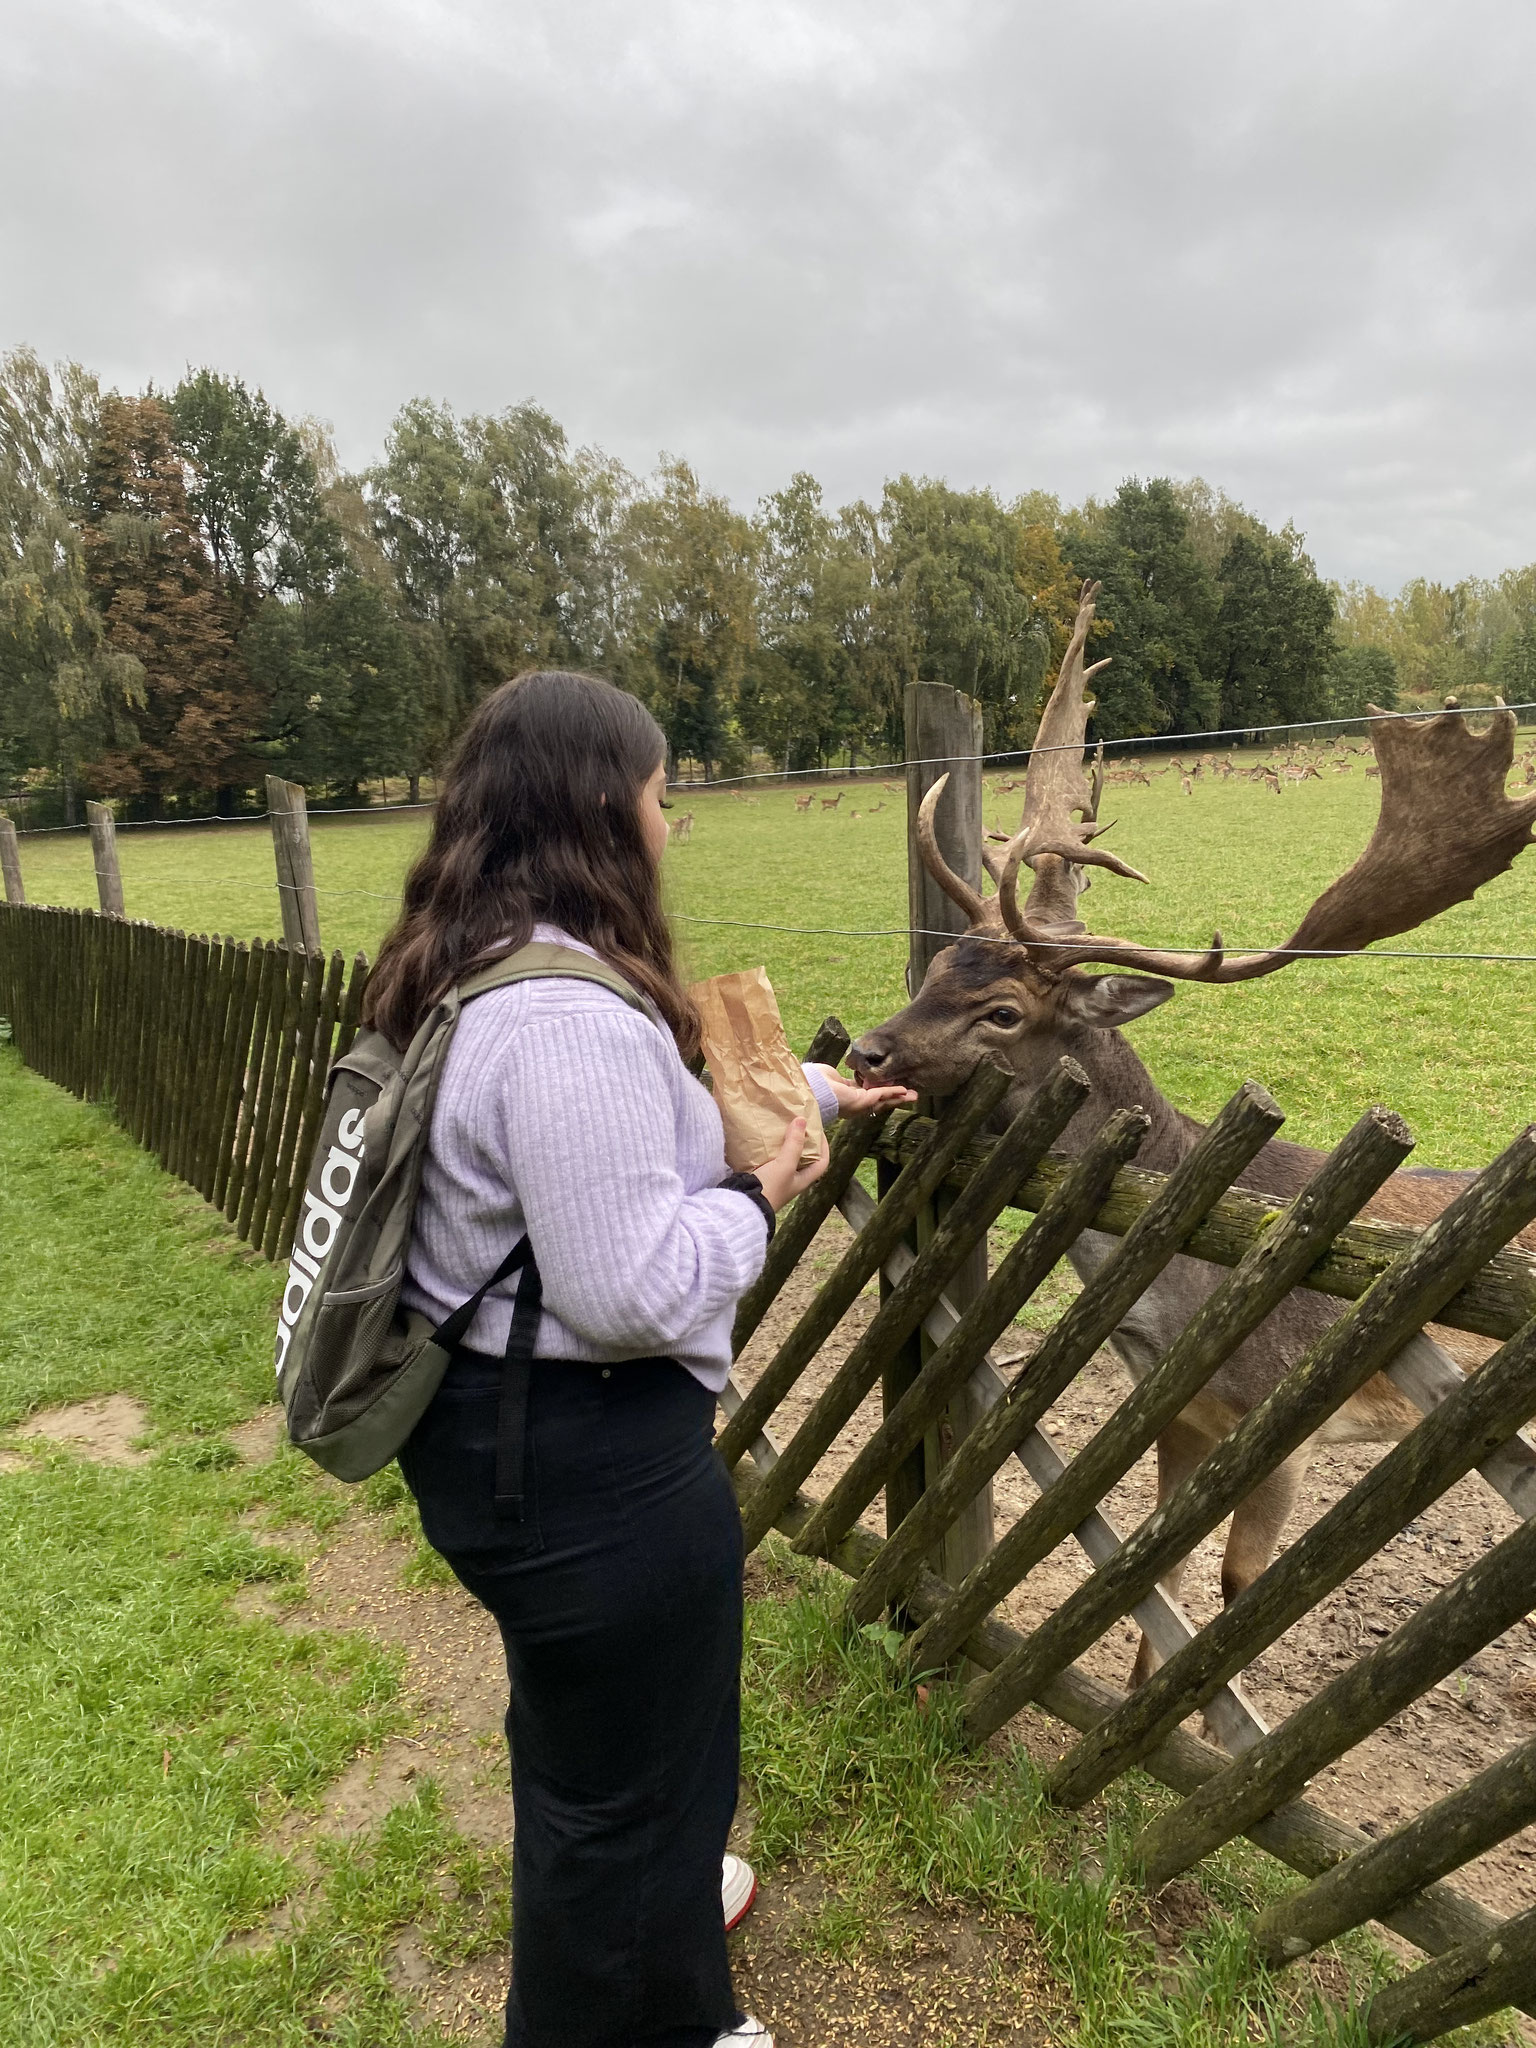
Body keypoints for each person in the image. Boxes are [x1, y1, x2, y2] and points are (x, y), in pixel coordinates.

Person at [361, 671, 914, 2048]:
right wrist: (760, 1201)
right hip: (585, 1466)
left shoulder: (472, 968)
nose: (676, 827)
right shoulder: (567, 1018)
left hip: (502, 1447)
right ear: (608, 808)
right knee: (633, 1798)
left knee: (598, 1763)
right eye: (668, 797)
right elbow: (628, 1287)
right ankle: (657, 2006)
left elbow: (610, 1144)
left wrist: (827, 1096)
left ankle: (669, 1943)